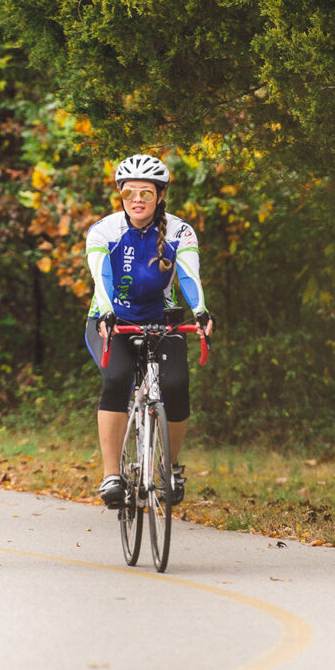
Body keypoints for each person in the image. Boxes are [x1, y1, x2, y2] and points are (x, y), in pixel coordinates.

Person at [84, 153, 213, 509]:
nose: (137, 200)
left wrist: (200, 311)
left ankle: (169, 468)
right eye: (129, 194)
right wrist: (108, 313)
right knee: (118, 378)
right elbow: (102, 278)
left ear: (159, 196)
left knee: (175, 385)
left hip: (163, 318)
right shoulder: (105, 231)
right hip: (112, 319)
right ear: (121, 197)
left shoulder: (180, 231)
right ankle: (112, 475)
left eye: (146, 193)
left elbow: (188, 275)